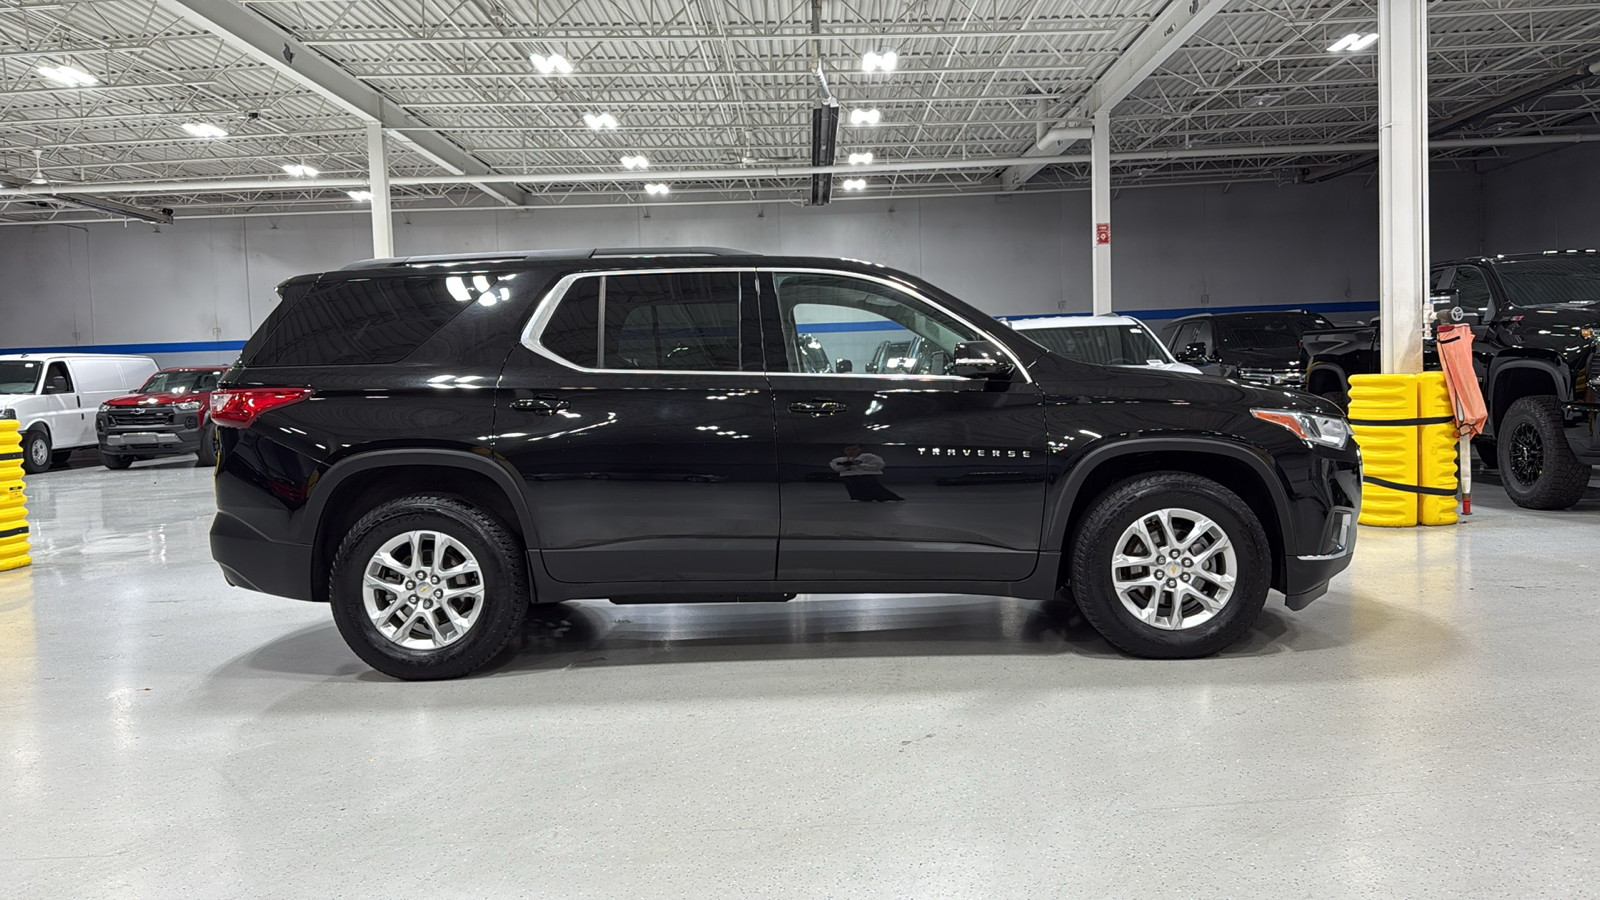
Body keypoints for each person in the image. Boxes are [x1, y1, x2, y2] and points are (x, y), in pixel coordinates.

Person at [829, 445, 904, 502]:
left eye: (854, 449)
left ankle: (887, 498)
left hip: (866, 475)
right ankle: (860, 498)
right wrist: (846, 466)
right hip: (849, 476)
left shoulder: (869, 456)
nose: (851, 451)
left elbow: (878, 465)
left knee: (874, 488)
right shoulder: (839, 459)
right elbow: (836, 468)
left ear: (860, 449)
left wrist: (859, 465)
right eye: (848, 450)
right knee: (854, 489)